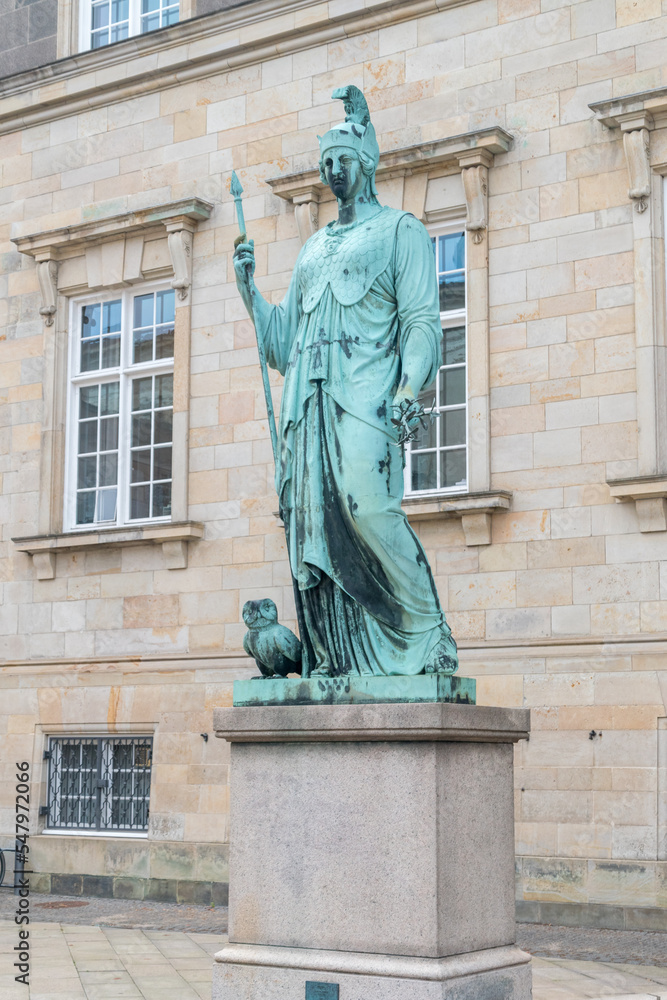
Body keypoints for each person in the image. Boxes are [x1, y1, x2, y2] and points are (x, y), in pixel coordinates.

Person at [233, 86, 458, 679]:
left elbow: (420, 322)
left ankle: (426, 632)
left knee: (368, 511)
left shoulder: (400, 231)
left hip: (364, 402)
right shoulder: (313, 248)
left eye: (344, 161)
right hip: (308, 408)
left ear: (368, 164)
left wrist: (410, 387)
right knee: (314, 529)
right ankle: (336, 655)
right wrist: (250, 290)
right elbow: (283, 341)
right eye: (326, 163)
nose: (334, 172)